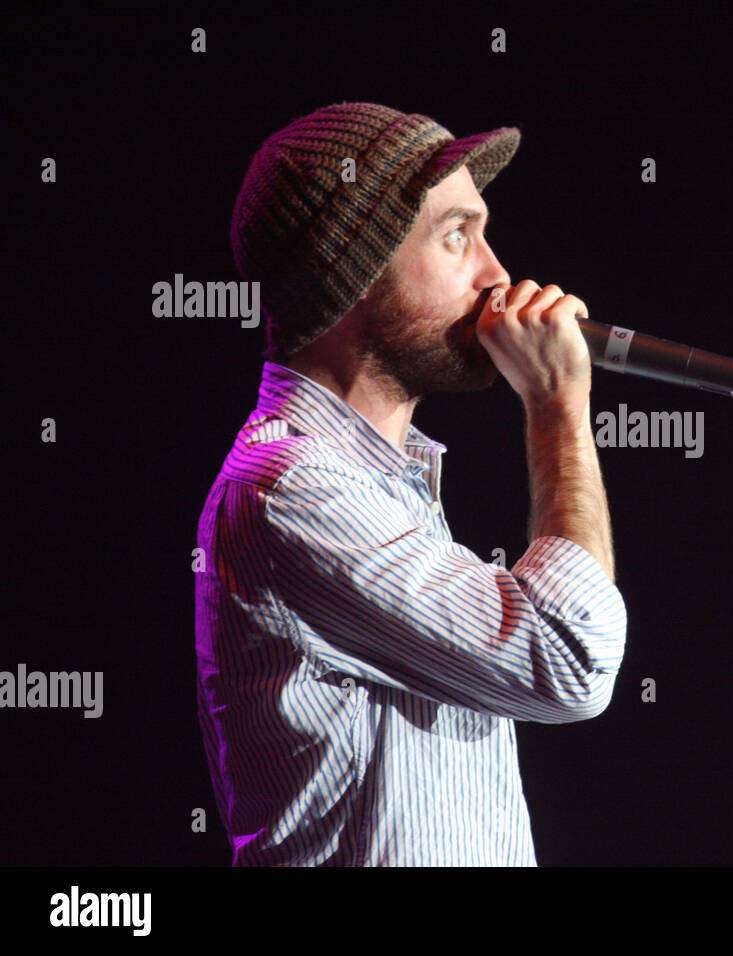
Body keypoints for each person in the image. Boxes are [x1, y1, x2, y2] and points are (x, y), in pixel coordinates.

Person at [194, 102, 625, 866]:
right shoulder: (293, 488)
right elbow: (570, 658)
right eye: (457, 236)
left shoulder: (380, 482)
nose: (497, 274)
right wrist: (558, 404)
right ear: (352, 267)